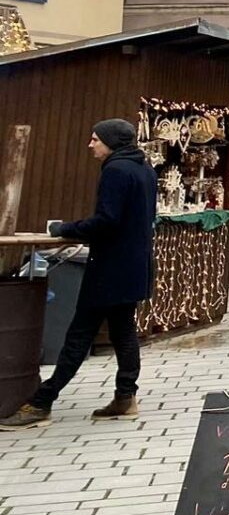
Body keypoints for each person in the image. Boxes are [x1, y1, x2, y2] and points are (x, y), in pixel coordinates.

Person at [1, 120, 157, 428]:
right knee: (123, 331)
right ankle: (125, 397)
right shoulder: (145, 170)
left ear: (111, 142)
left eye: (95, 139)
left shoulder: (116, 171)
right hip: (135, 265)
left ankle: (40, 403)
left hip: (109, 268)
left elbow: (106, 221)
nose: (90, 144)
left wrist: (65, 229)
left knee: (79, 335)